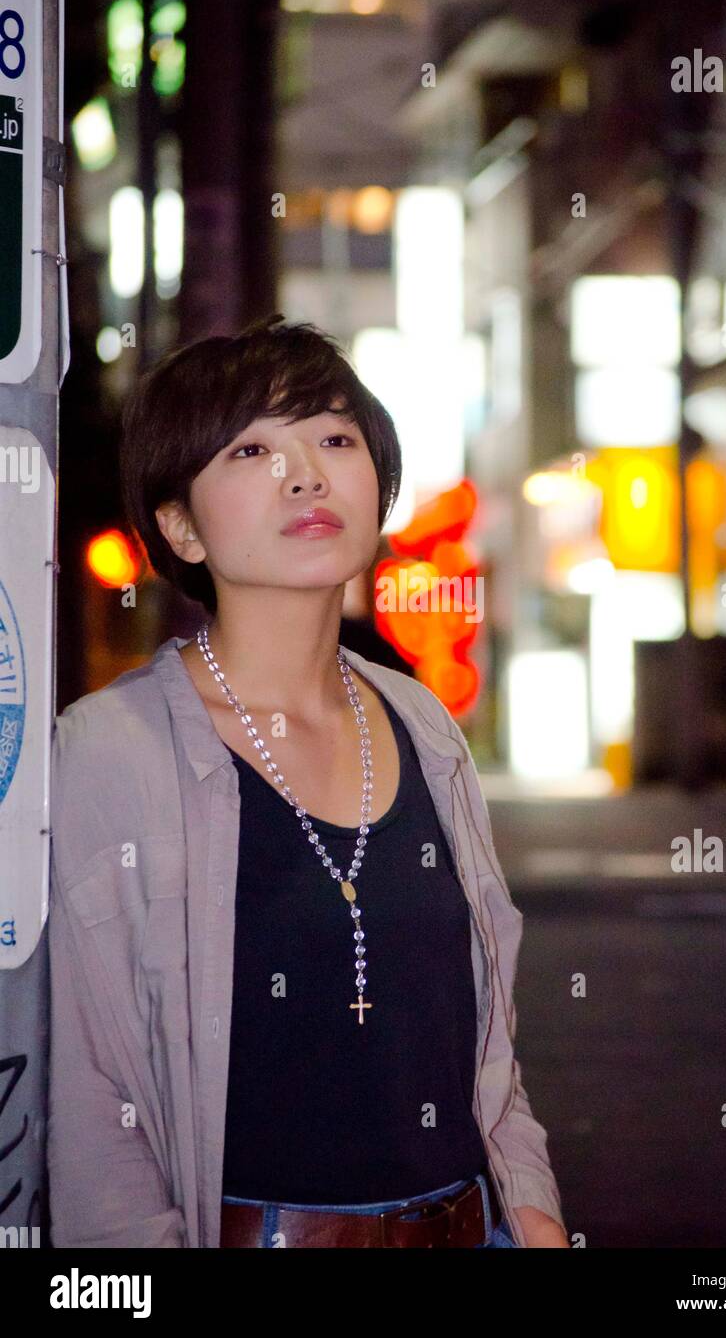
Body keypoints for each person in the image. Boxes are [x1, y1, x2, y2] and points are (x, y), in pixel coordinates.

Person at [46, 314, 568, 1248]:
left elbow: (486, 1039)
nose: (307, 473)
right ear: (180, 527)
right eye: (251, 450)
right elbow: (95, 1104)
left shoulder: (423, 727)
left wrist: (531, 1213)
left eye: (334, 438)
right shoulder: (111, 751)